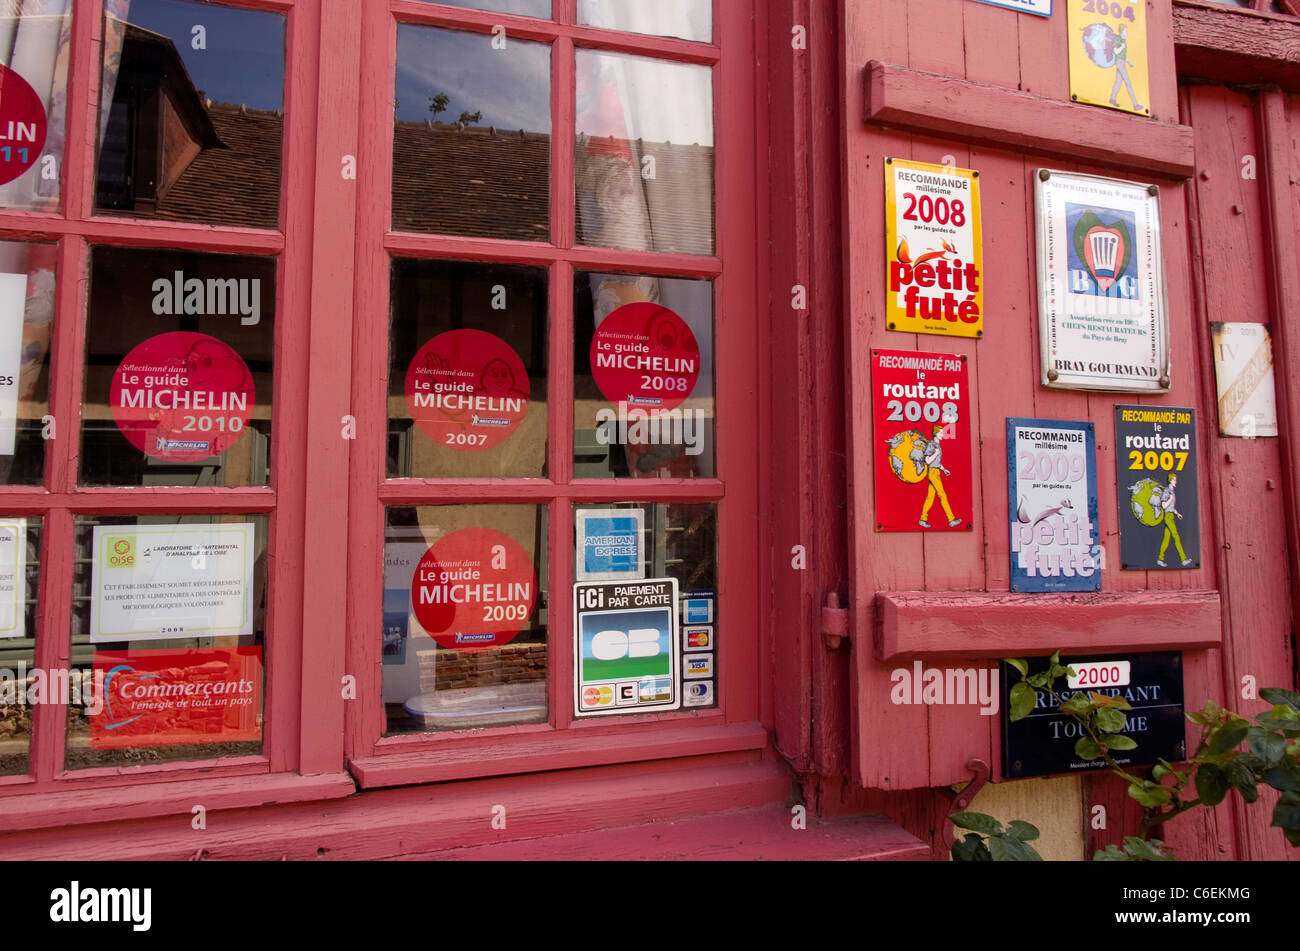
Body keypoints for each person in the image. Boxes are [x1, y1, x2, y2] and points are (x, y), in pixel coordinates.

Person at [919, 425, 962, 529]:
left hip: (937, 471)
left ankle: (922, 519)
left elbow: (936, 462)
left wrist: (944, 469)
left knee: (930, 497)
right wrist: (935, 454)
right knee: (942, 494)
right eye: (941, 433)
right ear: (935, 433)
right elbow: (928, 461)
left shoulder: (938, 444)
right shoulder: (931, 444)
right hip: (933, 472)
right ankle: (951, 519)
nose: (943, 434)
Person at [1156, 474, 1192, 567]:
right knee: (1176, 537)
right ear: (1170, 480)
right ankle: (1183, 559)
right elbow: (1164, 506)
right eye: (1174, 480)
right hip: (1168, 517)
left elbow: (1171, 507)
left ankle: (1160, 559)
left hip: (1171, 515)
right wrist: (1171, 499)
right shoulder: (1167, 491)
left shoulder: (1172, 491)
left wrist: (1177, 513)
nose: (1176, 482)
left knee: (1166, 539)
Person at [1108, 25, 1144, 112]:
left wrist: (1129, 62)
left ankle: (1112, 99)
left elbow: (1123, 54)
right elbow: (1116, 51)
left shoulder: (1124, 40)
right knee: (1128, 82)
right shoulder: (1118, 39)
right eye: (1125, 31)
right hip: (1120, 62)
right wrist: (1122, 47)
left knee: (1118, 82)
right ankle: (1135, 104)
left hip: (1123, 61)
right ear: (1121, 31)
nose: (1127, 33)